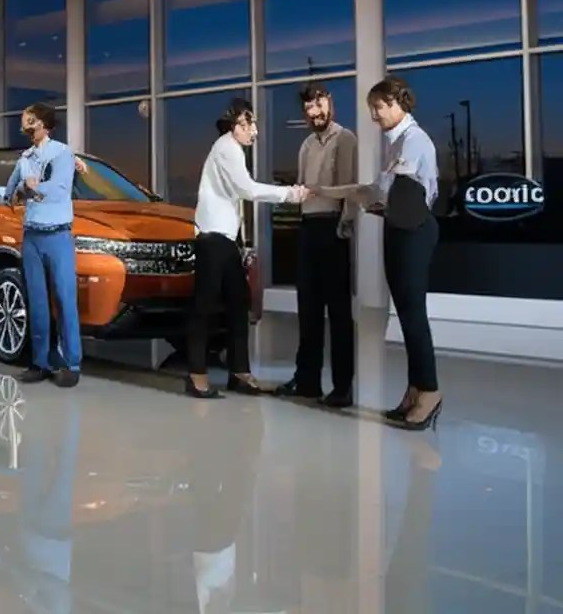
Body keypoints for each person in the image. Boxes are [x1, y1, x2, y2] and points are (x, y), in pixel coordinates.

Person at [314, 76, 442, 430]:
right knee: (405, 314)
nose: (375, 115)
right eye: (372, 109)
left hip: (414, 231)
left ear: (399, 103)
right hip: (399, 230)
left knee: (413, 315)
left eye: (380, 107)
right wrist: (328, 190)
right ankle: (414, 390)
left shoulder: (414, 141)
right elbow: (374, 191)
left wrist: (359, 196)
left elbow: (390, 197)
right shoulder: (395, 142)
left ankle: (430, 392)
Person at [186, 98, 308, 399]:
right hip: (212, 239)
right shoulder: (227, 148)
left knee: (238, 305)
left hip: (225, 240)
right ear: (233, 126)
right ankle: (196, 375)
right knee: (204, 307)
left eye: (253, 123)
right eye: (247, 123)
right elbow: (247, 189)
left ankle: (239, 372)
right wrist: (290, 193)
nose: (253, 129)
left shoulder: (232, 149)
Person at [276, 81, 357, 408]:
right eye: (309, 108)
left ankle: (342, 387)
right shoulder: (307, 144)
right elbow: (304, 189)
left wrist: (346, 224)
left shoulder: (345, 138)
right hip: (308, 227)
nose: (315, 112)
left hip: (333, 228)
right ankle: (307, 381)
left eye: (319, 105)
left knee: (338, 313)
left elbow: (350, 186)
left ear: (330, 103)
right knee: (307, 309)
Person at [4, 103, 82, 388]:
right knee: (36, 301)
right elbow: (9, 193)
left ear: (42, 124)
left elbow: (59, 188)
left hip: (58, 236)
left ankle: (72, 364)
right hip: (32, 237)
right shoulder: (24, 158)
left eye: (30, 119)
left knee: (64, 298)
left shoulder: (62, 153)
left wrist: (31, 189)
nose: (25, 123)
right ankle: (40, 362)